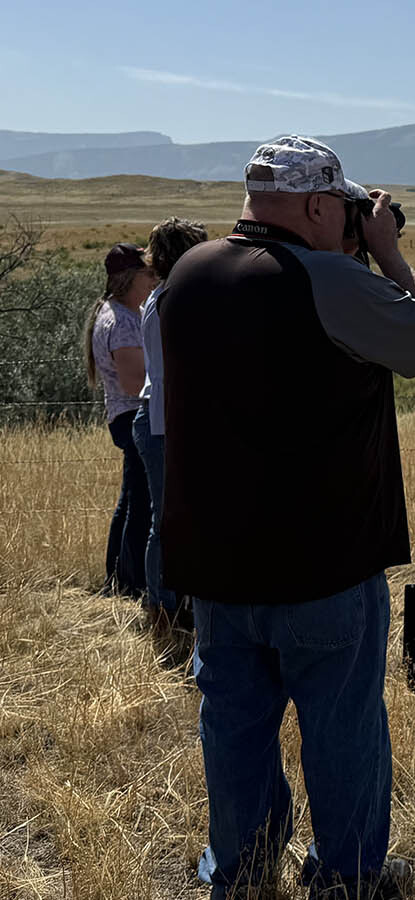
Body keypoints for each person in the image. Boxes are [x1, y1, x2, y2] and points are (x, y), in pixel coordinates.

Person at [160, 135, 415, 899]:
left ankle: (244, 872)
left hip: (218, 570)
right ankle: (348, 877)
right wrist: (386, 252)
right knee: (342, 733)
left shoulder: (187, 275)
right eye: (344, 209)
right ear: (321, 205)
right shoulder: (329, 279)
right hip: (323, 563)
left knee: (234, 734)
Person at [130, 216, 208, 656]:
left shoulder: (163, 296)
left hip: (162, 418)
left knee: (171, 520)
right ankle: (163, 609)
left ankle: (170, 607)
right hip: (164, 421)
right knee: (166, 522)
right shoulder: (170, 301)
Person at [83, 242, 158, 599]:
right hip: (132, 416)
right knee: (140, 503)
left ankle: (118, 579)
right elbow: (134, 383)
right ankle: (131, 583)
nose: (152, 279)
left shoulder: (117, 313)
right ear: (130, 278)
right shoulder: (124, 323)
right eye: (147, 273)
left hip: (122, 415)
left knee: (131, 499)